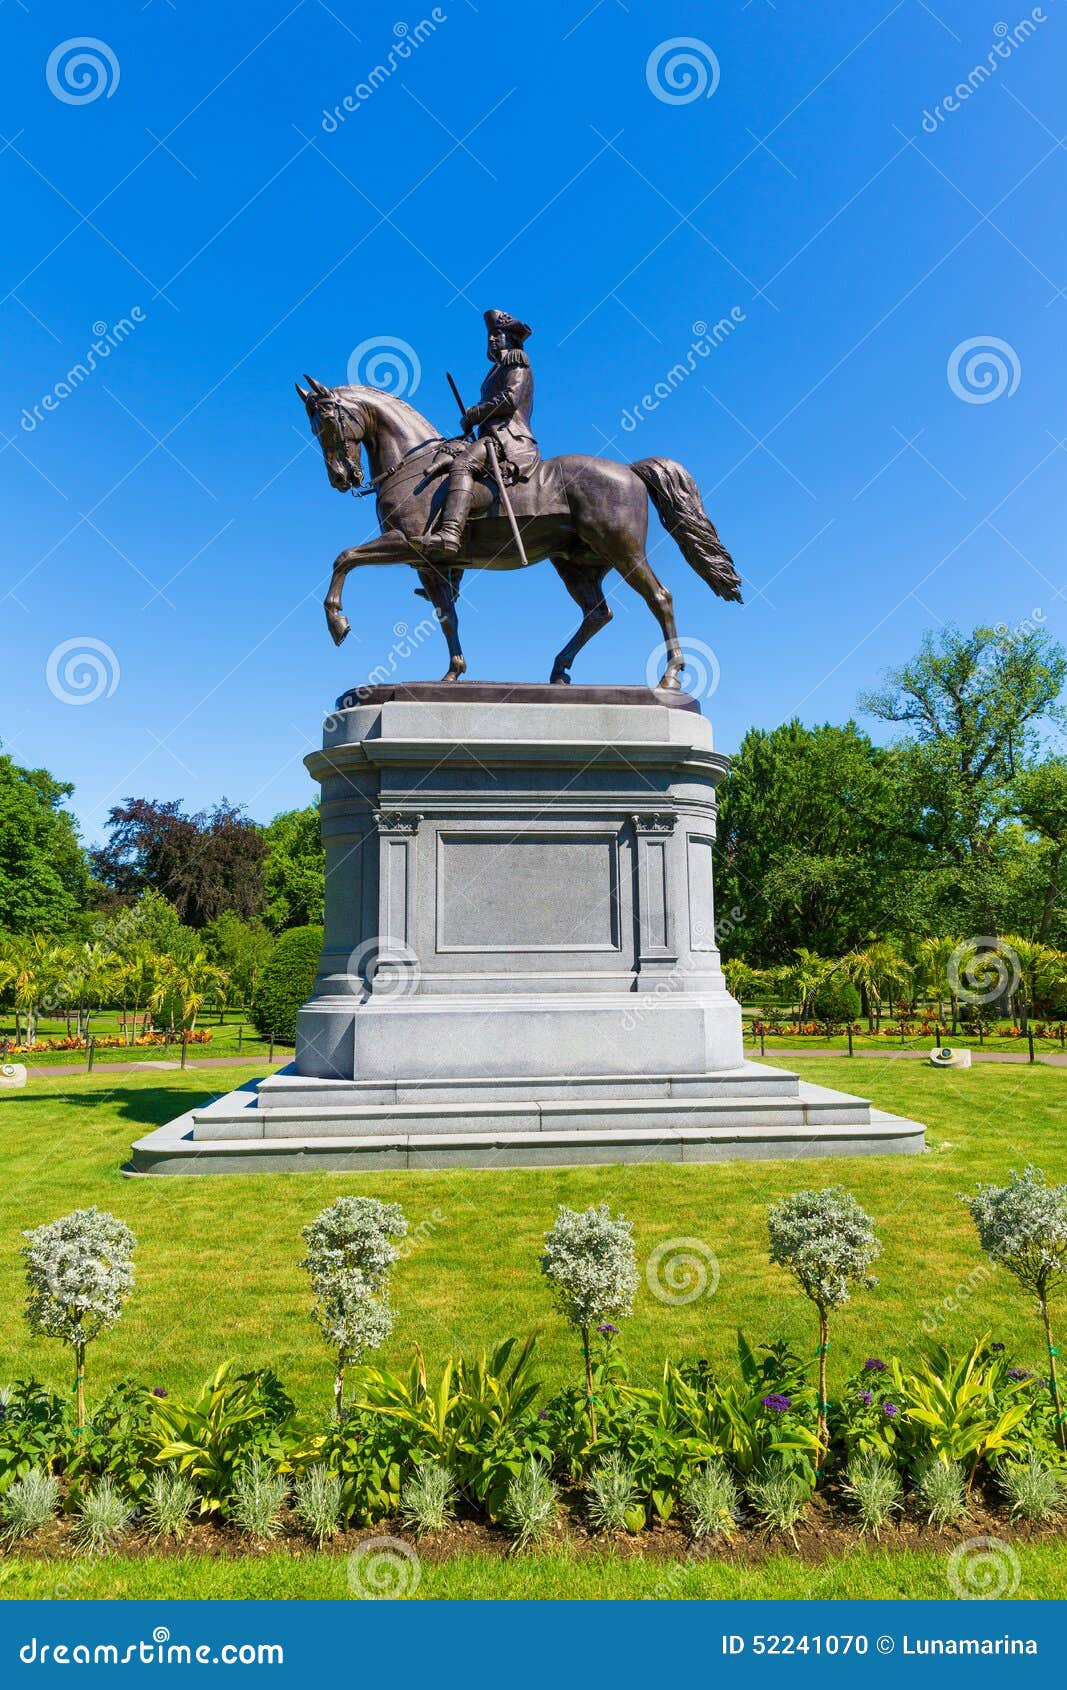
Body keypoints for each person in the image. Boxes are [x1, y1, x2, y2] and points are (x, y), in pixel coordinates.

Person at [435, 309, 540, 553]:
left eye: (498, 334)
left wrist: (475, 413)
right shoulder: (495, 370)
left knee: (463, 464)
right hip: (492, 435)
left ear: (511, 337)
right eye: (490, 335)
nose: (492, 339)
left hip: (508, 436)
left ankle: (450, 533)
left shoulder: (516, 361)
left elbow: (510, 400)